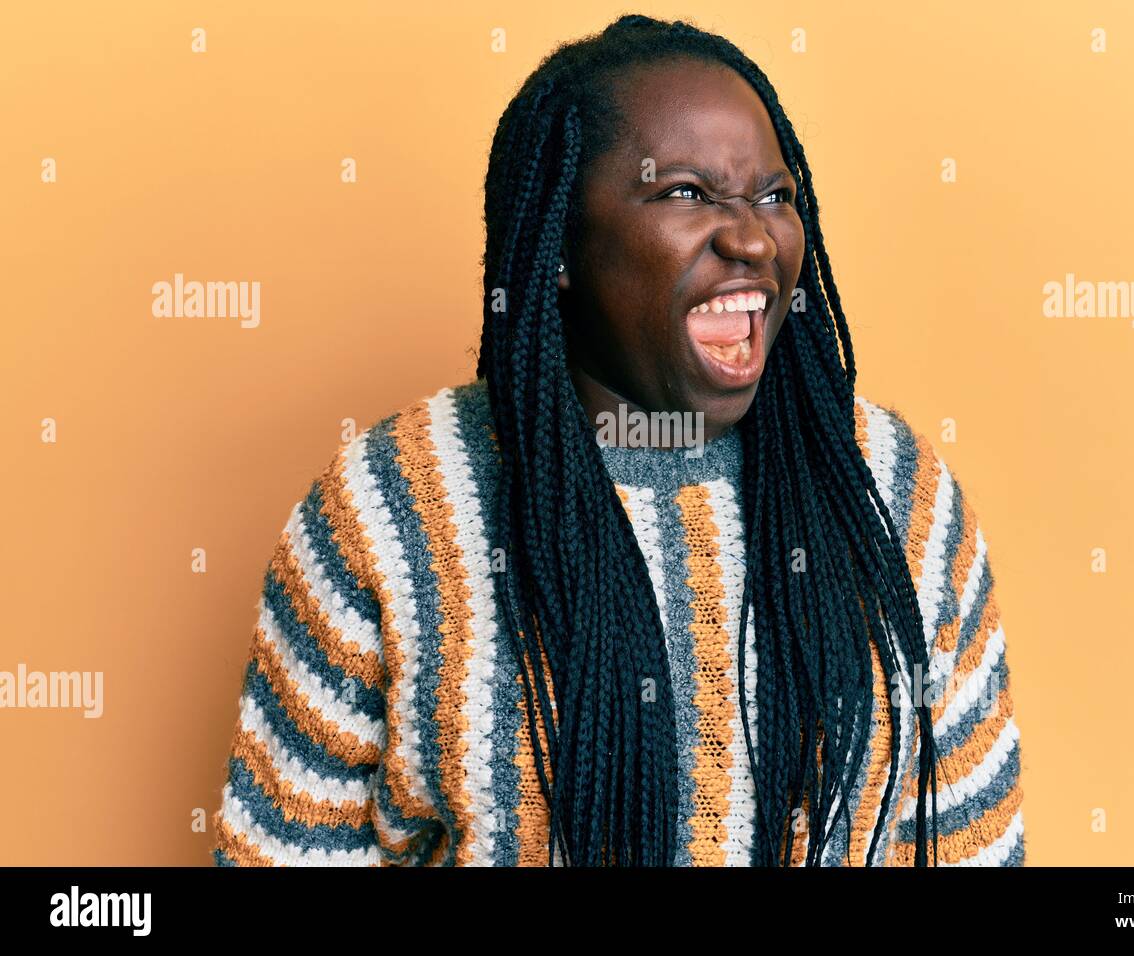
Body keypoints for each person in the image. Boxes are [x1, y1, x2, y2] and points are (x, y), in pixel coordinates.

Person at [211, 13, 1025, 867]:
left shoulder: (892, 494)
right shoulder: (391, 506)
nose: (751, 236)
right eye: (685, 192)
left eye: (773, 197)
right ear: (561, 242)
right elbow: (284, 852)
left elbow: (970, 846)